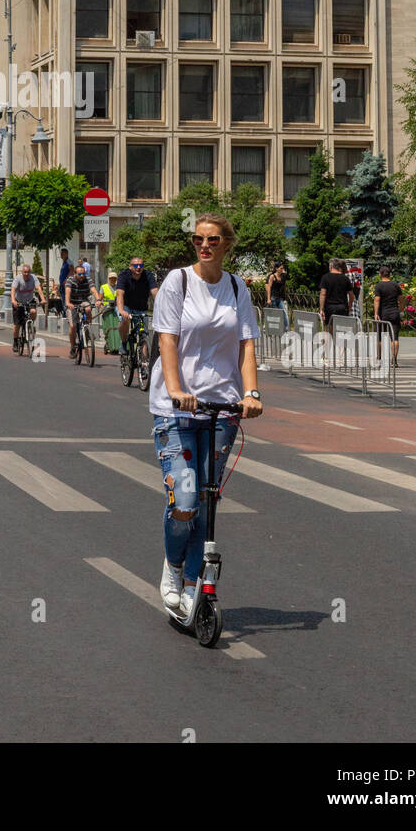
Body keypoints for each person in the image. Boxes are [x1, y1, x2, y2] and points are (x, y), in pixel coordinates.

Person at [151, 214, 263, 619]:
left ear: (226, 244)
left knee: (205, 499)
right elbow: (167, 340)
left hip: (222, 408)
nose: (204, 246)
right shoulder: (177, 283)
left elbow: (247, 344)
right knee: (183, 499)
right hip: (177, 409)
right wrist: (177, 390)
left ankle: (195, 580)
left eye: (212, 239)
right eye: (198, 239)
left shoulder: (237, 288)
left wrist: (250, 393)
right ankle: (173, 569)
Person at [116, 257, 158, 359]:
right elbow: (119, 294)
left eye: (141, 265)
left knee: (143, 335)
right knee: (125, 319)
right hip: (126, 305)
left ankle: (144, 362)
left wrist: (163, 308)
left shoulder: (148, 275)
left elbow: (155, 293)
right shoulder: (123, 275)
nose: (138, 267)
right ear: (130, 267)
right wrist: (121, 310)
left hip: (141, 307)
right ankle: (124, 342)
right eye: (135, 265)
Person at [64, 262, 101, 356]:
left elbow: (93, 290)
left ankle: (87, 328)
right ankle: (72, 347)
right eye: (79, 274)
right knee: (72, 326)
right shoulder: (70, 280)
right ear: (75, 274)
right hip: (72, 303)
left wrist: (98, 299)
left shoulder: (88, 279)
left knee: (88, 309)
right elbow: (67, 291)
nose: (82, 276)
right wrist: (68, 303)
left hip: (83, 300)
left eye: (83, 273)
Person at [10, 263, 45, 351]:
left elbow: (38, 288)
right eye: (25, 272)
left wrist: (43, 299)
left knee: (33, 311)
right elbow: (13, 290)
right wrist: (13, 300)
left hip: (29, 300)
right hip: (18, 301)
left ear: (30, 272)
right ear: (22, 272)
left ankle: (31, 325)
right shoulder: (18, 278)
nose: (26, 274)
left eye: (28, 272)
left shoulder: (33, 278)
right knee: (17, 324)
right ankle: (15, 342)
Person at [373, 267, 402, 368]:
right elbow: (401, 299)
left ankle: (379, 359)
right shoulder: (395, 285)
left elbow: (377, 300)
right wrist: (400, 309)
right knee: (394, 337)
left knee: (379, 338)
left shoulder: (379, 286)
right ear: (389, 274)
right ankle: (394, 360)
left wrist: (376, 313)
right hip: (394, 313)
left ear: (380, 274)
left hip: (382, 314)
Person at [319, 258, 354, 331]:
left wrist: (321, 308)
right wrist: (349, 306)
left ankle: (330, 341)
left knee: (329, 328)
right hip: (342, 307)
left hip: (329, 307)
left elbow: (323, 294)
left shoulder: (325, 277)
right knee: (342, 329)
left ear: (331, 266)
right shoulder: (345, 278)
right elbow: (351, 295)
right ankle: (340, 342)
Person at [100, 271, 122, 354]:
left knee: (119, 326)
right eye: (111, 278)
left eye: (114, 278)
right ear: (108, 279)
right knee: (109, 328)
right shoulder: (104, 287)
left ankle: (119, 345)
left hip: (117, 309)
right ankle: (111, 344)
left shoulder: (119, 287)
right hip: (107, 310)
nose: (113, 279)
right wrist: (100, 303)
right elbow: (100, 298)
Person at [266, 261, 289, 331]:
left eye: (283, 268)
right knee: (274, 314)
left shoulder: (283, 277)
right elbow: (269, 287)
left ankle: (287, 329)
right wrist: (268, 299)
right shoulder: (272, 276)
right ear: (276, 268)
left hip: (280, 298)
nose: (282, 269)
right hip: (273, 298)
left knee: (284, 313)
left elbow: (284, 286)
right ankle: (270, 328)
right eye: (281, 268)